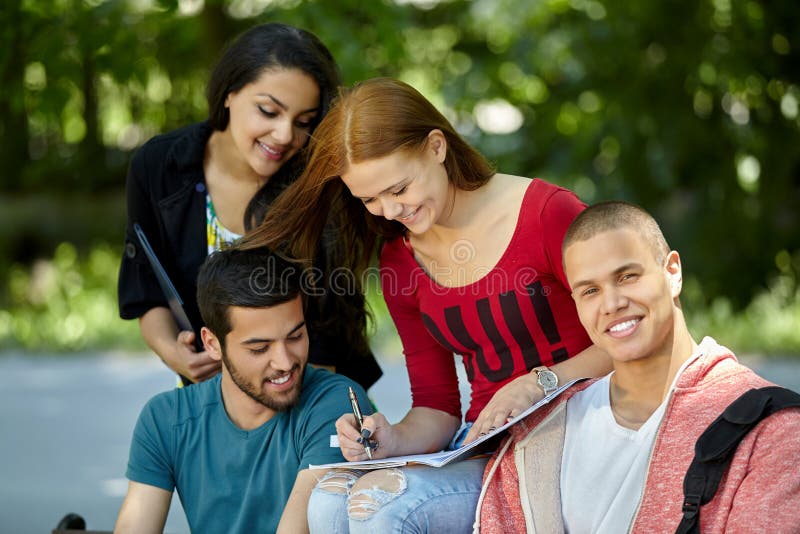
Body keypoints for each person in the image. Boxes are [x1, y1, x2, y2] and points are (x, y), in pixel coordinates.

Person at [240, 77, 612, 532]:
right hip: (488, 445)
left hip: (580, 430)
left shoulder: (548, 213)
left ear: (436, 146)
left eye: (398, 189)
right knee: (328, 500)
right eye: (369, 199)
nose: (388, 211)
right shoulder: (401, 259)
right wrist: (389, 438)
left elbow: (631, 338)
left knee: (385, 510)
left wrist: (540, 383)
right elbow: (437, 404)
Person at [477, 201, 800, 533]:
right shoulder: (540, 433)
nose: (612, 303)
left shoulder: (770, 428)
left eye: (627, 276)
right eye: (590, 290)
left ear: (672, 272)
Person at [117, 22, 381, 390]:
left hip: (316, 392)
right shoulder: (159, 167)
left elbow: (330, 329)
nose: (286, 136)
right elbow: (145, 290)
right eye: (268, 111)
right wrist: (175, 354)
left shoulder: (316, 181)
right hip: (211, 397)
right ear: (229, 93)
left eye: (303, 122)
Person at [114, 245, 372, 533]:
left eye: (296, 336)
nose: (285, 362)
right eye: (260, 348)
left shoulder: (335, 405)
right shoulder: (166, 419)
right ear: (212, 344)